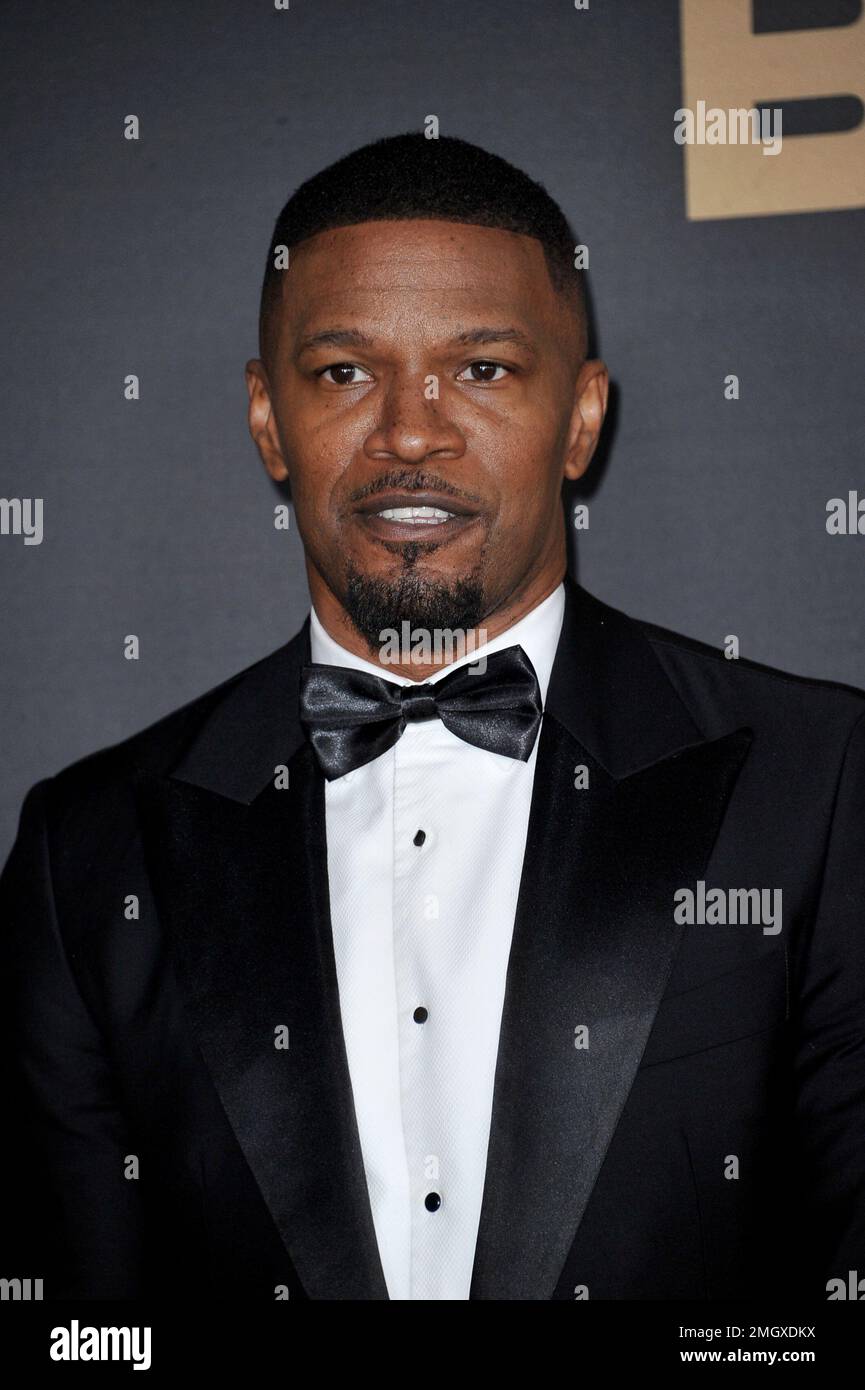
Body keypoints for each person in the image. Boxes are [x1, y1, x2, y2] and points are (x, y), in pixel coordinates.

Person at [1, 132, 863, 1302]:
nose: (411, 431)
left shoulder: (818, 788)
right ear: (266, 420)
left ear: (581, 418)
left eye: (484, 369)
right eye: (343, 373)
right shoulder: (89, 854)